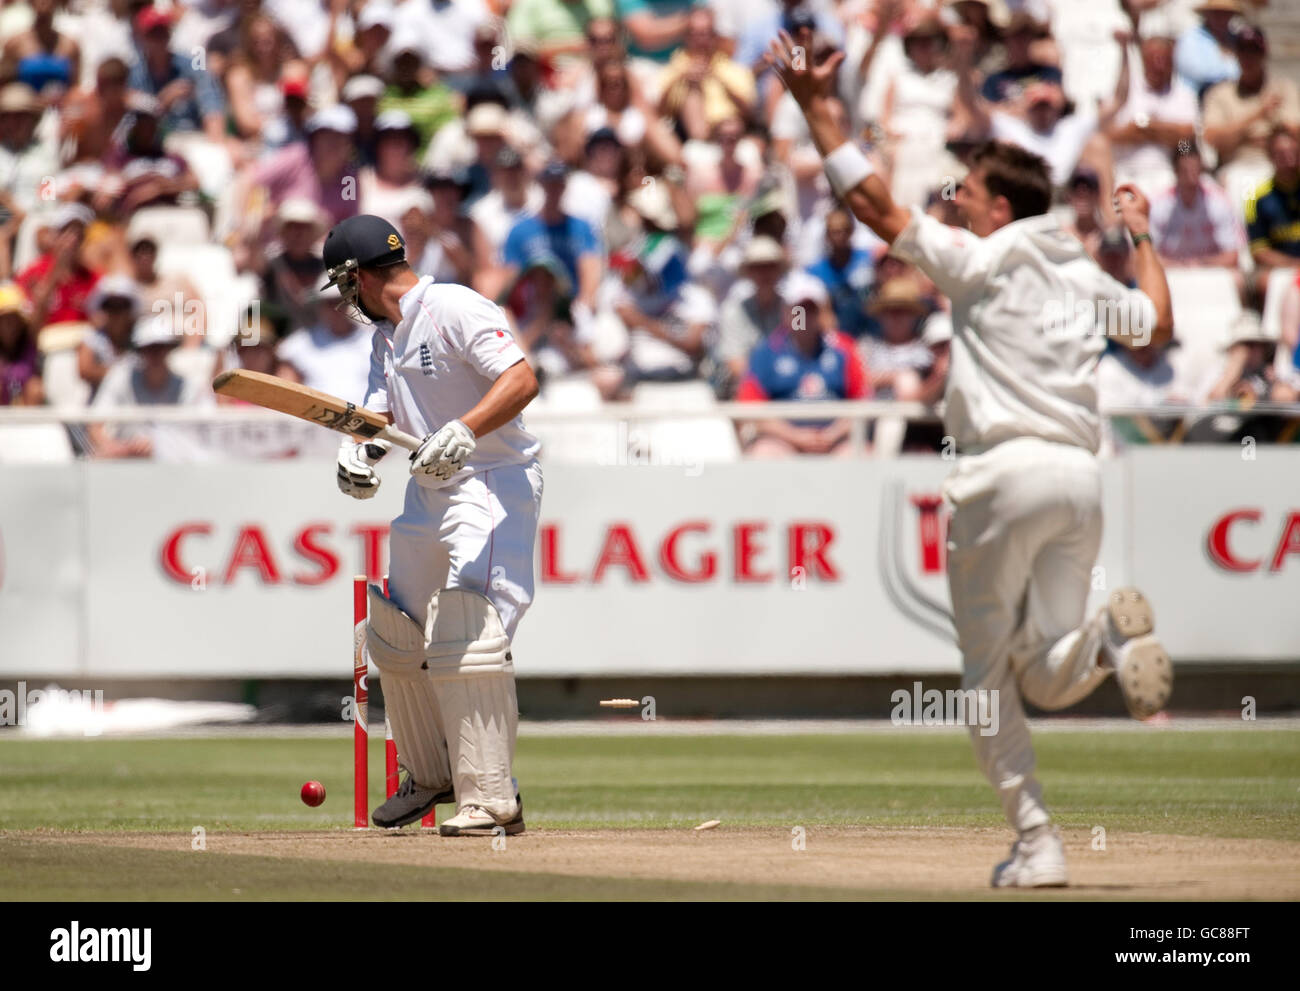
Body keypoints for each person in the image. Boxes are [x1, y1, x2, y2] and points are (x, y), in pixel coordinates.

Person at [768, 32, 1176, 888]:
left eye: (968, 192)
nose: (955, 202)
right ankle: (1106, 640)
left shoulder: (984, 262)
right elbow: (1156, 327)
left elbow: (877, 208)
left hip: (1002, 474)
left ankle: (1038, 840)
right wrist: (1140, 236)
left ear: (999, 210)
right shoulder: (1084, 274)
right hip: (1079, 477)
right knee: (1051, 665)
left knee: (986, 679)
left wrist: (814, 107)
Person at [325, 213, 541, 837]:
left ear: (358, 276)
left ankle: (494, 798)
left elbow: (522, 377)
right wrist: (360, 451)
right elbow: (379, 412)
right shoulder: (385, 337)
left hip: (493, 481)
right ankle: (428, 772)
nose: (346, 298)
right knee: (399, 629)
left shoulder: (452, 306)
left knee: (469, 629)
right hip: (429, 490)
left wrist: (466, 428)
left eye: (344, 284)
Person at [736, 270, 870, 456]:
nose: (804, 317)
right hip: (783, 440)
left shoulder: (844, 349)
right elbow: (751, 406)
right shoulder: (766, 352)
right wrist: (795, 436)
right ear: (786, 313)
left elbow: (863, 401)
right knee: (765, 453)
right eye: (798, 310)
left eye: (810, 310)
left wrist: (831, 434)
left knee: (857, 453)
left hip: (835, 440)